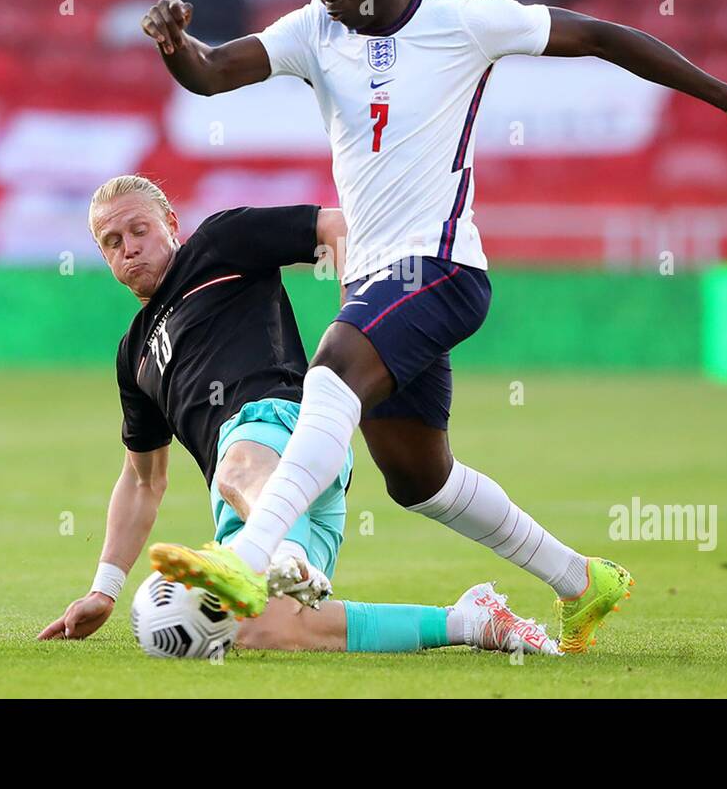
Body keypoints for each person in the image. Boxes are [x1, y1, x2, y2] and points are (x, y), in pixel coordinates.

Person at [140, 0, 727, 652]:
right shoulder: (313, 31)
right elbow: (214, 71)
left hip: (442, 268)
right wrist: (174, 45)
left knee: (330, 374)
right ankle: (584, 582)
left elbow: (599, 36)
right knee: (419, 479)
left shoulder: (466, 21)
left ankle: (246, 559)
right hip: (375, 282)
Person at [37, 175, 558, 655]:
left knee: (235, 461)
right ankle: (471, 622)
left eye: (139, 229)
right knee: (265, 630)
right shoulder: (134, 355)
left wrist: (360, 324)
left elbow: (334, 224)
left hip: (281, 429)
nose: (129, 247)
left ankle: (280, 546)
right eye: (113, 242)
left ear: (171, 224)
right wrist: (103, 590)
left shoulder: (218, 244)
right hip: (257, 493)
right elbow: (142, 481)